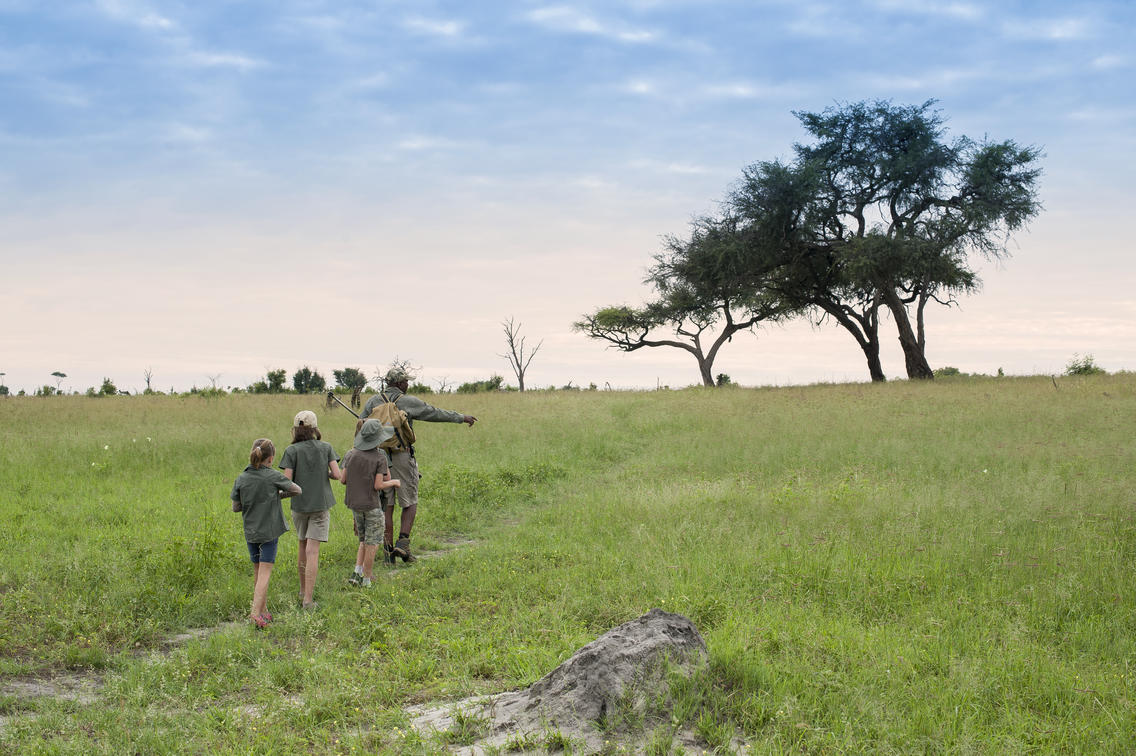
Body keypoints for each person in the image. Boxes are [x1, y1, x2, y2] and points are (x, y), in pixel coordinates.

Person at [361, 367, 477, 563]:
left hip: (378, 456)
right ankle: (403, 544)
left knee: (387, 505)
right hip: (402, 457)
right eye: (406, 381)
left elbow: (361, 426)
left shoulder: (372, 401)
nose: (408, 384)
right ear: (399, 383)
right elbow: (434, 413)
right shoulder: (407, 401)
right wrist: (461, 417)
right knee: (410, 500)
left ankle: (388, 551)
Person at [230, 438, 301, 628]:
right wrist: (277, 495)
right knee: (265, 572)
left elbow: (236, 507)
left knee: (257, 570)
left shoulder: (241, 478)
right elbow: (297, 490)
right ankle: (255, 613)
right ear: (270, 459)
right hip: (269, 532)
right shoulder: (272, 476)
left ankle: (263, 609)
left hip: (251, 531)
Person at [279, 410, 341, 611]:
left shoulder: (291, 451)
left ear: (296, 429)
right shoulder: (326, 447)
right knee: (313, 551)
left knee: (302, 546)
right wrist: (325, 472)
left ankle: (302, 590)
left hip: (299, 504)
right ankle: (308, 600)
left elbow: (287, 482)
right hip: (320, 504)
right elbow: (337, 475)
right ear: (315, 428)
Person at [340, 419, 402, 587]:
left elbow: (343, 479)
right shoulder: (379, 457)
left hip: (355, 505)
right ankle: (366, 580)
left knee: (363, 539)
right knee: (372, 543)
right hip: (372, 505)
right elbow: (380, 483)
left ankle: (357, 572)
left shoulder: (350, 454)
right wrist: (394, 482)